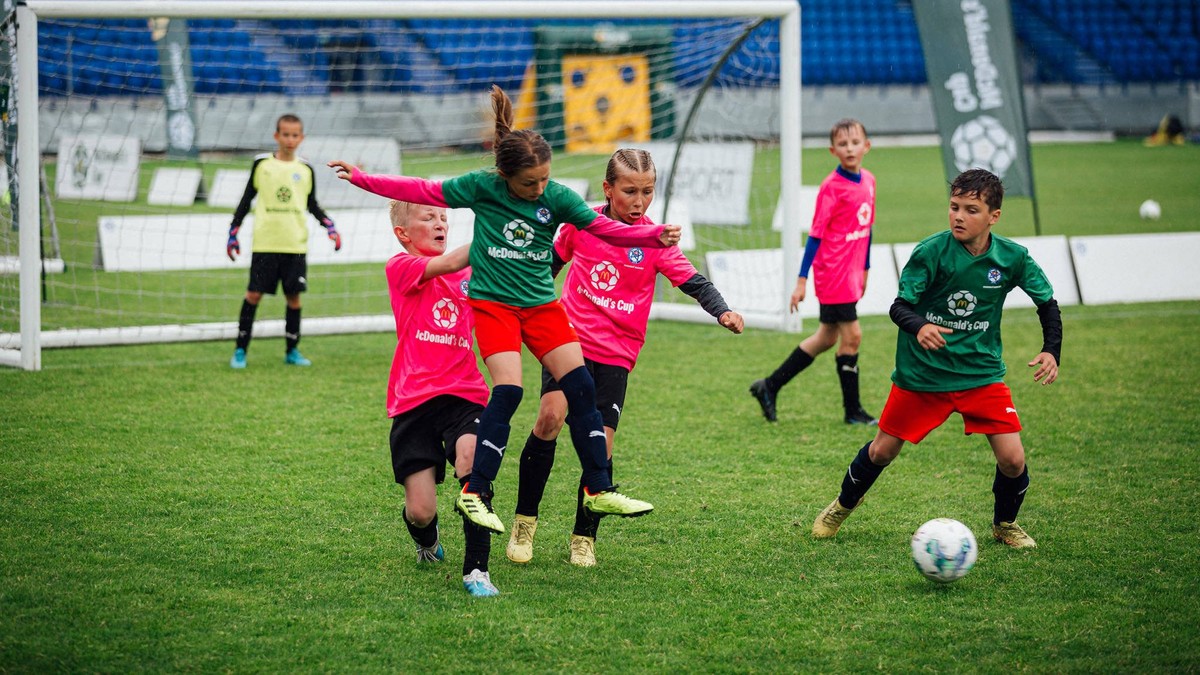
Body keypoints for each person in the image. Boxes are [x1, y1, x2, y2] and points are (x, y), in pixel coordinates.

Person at [330, 85, 682, 539]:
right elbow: (418, 188)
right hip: (495, 306)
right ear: (505, 176)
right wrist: (362, 179)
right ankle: (476, 490)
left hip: (541, 305)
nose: (540, 189)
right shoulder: (480, 187)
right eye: (529, 183)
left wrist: (653, 239)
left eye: (544, 180)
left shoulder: (555, 197)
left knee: (580, 384)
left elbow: (604, 227)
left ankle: (598, 486)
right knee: (510, 390)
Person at [505, 149, 745, 567]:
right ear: (608, 189)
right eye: (630, 191)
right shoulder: (581, 225)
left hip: (617, 353)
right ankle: (525, 523)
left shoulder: (653, 239)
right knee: (549, 418)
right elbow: (549, 268)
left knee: (602, 446)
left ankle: (584, 537)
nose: (639, 201)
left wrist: (721, 309)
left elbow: (692, 279)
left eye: (648, 191)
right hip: (569, 341)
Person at [810, 168, 1062, 549]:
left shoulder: (1012, 258)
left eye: (971, 210)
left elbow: (1047, 304)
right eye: (954, 207)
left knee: (1013, 460)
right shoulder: (930, 252)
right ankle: (842, 506)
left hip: (981, 375)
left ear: (994, 216)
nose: (959, 216)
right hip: (923, 375)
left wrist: (1051, 350)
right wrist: (919, 327)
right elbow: (900, 307)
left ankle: (1005, 524)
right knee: (881, 451)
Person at [382, 199, 499, 597]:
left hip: (465, 395)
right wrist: (492, 229)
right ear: (403, 233)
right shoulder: (401, 268)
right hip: (414, 400)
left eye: (444, 218)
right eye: (428, 218)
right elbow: (447, 264)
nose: (440, 224)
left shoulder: (471, 271)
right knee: (420, 510)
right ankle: (428, 542)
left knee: (472, 461)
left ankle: (477, 571)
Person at [749, 118, 877, 425]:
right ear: (833, 151)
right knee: (853, 336)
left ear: (866, 146)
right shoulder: (831, 187)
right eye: (843, 144)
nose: (850, 149)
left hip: (851, 272)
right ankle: (853, 411)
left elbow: (867, 228)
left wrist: (866, 267)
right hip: (832, 273)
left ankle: (769, 385)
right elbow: (816, 235)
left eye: (855, 142)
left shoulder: (870, 180)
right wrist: (802, 280)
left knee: (826, 337)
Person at [227, 113, 342, 369]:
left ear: (301, 138)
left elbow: (312, 204)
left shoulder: (305, 169)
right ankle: (240, 351)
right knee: (254, 294)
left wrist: (329, 226)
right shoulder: (262, 165)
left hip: (295, 245)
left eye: (295, 135)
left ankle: (292, 350)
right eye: (285, 134)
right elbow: (246, 201)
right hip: (266, 243)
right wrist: (233, 230)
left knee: (294, 299)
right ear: (276, 136)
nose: (290, 140)